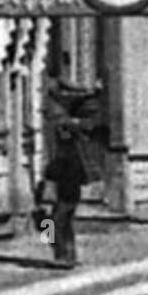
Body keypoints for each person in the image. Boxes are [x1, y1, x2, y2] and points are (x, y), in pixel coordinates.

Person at [41, 69, 104, 269]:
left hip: (63, 182)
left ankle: (61, 254)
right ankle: (66, 253)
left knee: (55, 219)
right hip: (64, 182)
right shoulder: (72, 136)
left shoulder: (67, 139)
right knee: (61, 219)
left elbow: (60, 162)